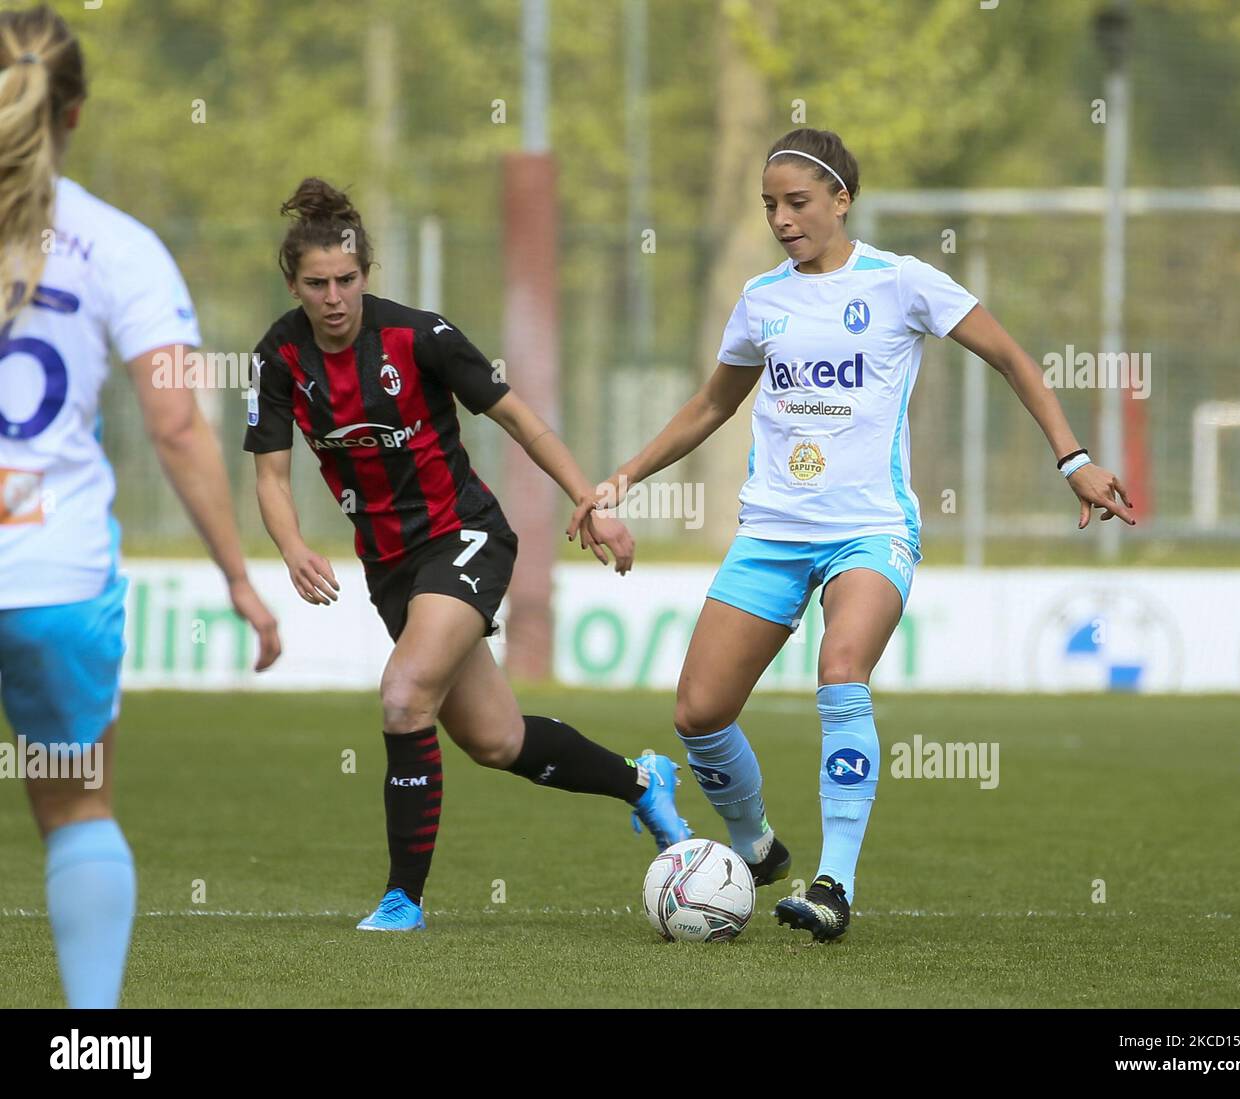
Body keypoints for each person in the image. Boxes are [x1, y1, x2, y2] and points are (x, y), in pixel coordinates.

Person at [569, 127, 1135, 942]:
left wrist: (1072, 457)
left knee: (842, 669)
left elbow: (1012, 356)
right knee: (698, 713)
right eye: (769, 205)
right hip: (772, 530)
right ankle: (757, 845)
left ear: (842, 199)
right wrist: (619, 479)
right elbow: (710, 406)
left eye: (797, 202)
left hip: (870, 530)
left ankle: (833, 882)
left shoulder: (903, 282)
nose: (782, 218)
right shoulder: (763, 298)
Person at [244, 177, 689, 932]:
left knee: (401, 694)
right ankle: (643, 782)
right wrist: (290, 545)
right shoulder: (279, 357)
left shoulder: (421, 337)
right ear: (293, 283)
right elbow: (270, 472)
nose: (333, 297)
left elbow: (522, 421)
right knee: (497, 739)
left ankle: (402, 900)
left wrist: (593, 499)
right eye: (316, 283)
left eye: (347, 280)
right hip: (391, 569)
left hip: (465, 536)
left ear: (366, 274)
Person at [0, 4, 282, 1007]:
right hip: (52, 577)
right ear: (74, 110)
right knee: (77, 811)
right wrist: (241, 577)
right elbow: (175, 424)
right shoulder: (118, 245)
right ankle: (92, 1039)